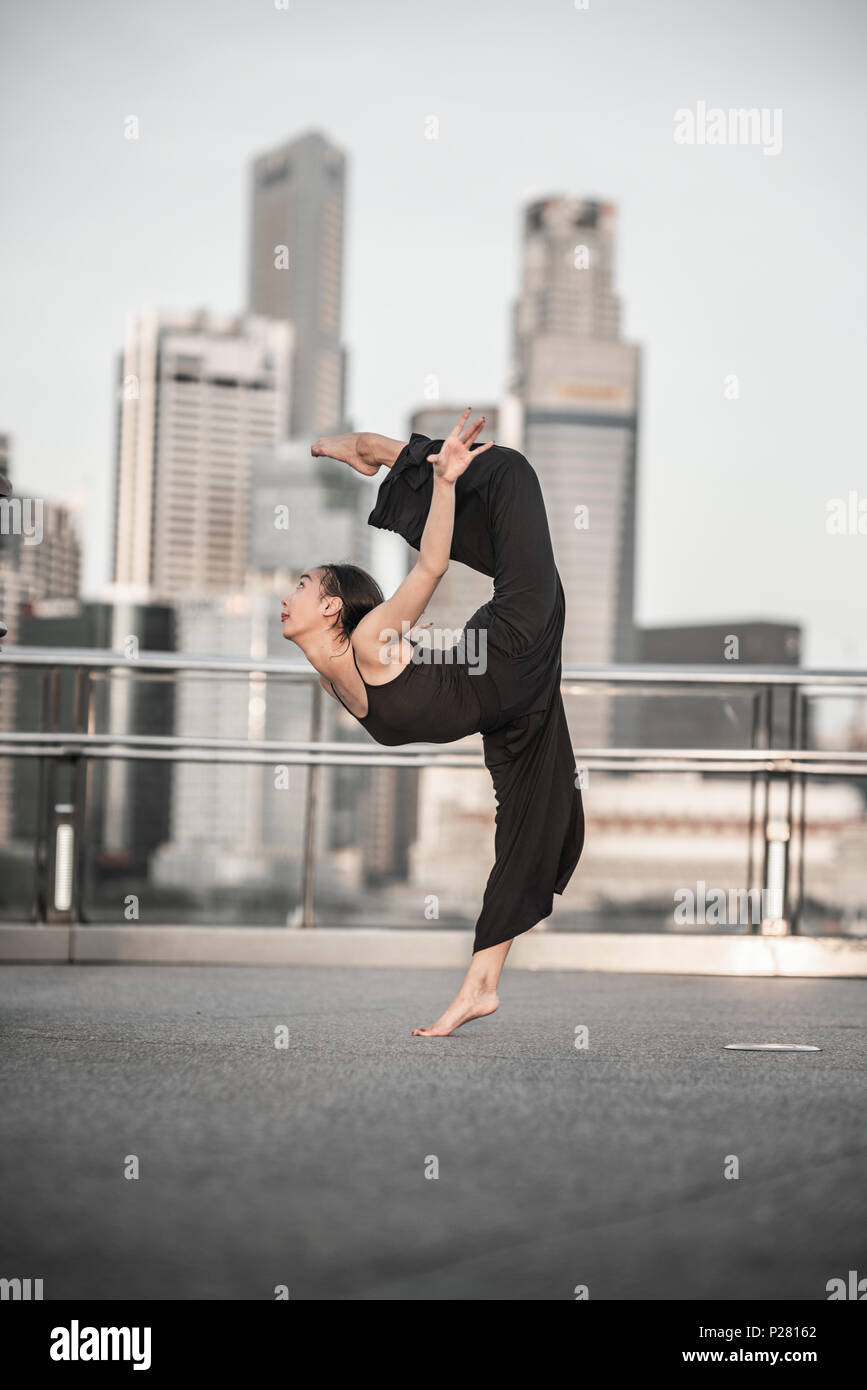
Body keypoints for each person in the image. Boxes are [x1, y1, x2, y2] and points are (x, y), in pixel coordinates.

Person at [281, 409, 584, 1036]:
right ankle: (480, 988)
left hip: (512, 646)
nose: (288, 594)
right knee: (530, 821)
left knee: (506, 472)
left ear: (332, 606)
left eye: (302, 584)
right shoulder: (329, 675)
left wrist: (443, 483)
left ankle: (382, 449)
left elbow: (431, 569)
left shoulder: (369, 643)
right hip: (503, 696)